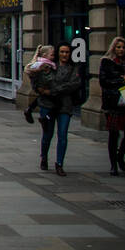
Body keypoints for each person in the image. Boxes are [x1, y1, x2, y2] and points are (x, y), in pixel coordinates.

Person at [34, 43, 82, 176]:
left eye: (67, 52)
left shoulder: (73, 69)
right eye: (62, 52)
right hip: (48, 105)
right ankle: (44, 157)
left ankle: (59, 163)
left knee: (62, 135)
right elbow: (37, 80)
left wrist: (53, 90)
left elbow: (73, 85)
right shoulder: (50, 66)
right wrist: (41, 89)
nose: (64, 55)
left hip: (65, 105)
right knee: (47, 134)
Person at [99, 36, 125, 176]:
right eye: (118, 47)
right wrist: (119, 81)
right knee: (114, 133)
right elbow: (103, 81)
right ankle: (113, 165)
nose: (121, 50)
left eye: (123, 47)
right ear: (113, 48)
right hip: (113, 101)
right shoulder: (107, 62)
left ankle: (120, 156)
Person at [22, 45, 55, 123]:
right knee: (55, 100)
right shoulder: (42, 63)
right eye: (52, 55)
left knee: (42, 98)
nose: (53, 57)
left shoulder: (43, 62)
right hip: (41, 85)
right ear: (44, 55)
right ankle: (45, 116)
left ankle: (30, 110)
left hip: (41, 86)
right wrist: (37, 70)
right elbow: (28, 69)